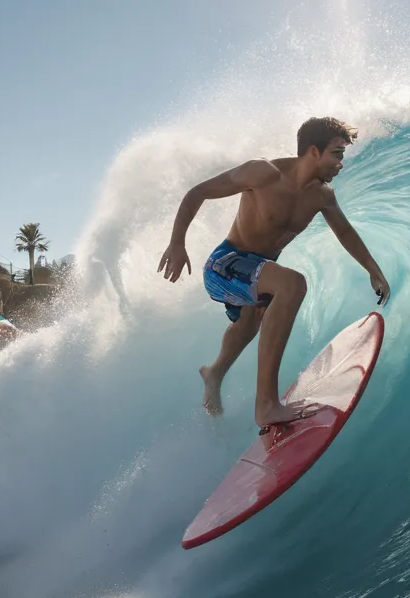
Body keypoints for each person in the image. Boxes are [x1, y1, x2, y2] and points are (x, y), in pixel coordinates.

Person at [158, 116, 391, 427]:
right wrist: (177, 243)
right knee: (292, 284)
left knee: (249, 325)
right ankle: (266, 405)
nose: (341, 163)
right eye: (337, 154)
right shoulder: (262, 173)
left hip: (256, 275)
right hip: (223, 265)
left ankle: (214, 372)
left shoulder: (321, 196)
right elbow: (197, 193)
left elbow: (345, 233)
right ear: (313, 151)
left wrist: (373, 270)